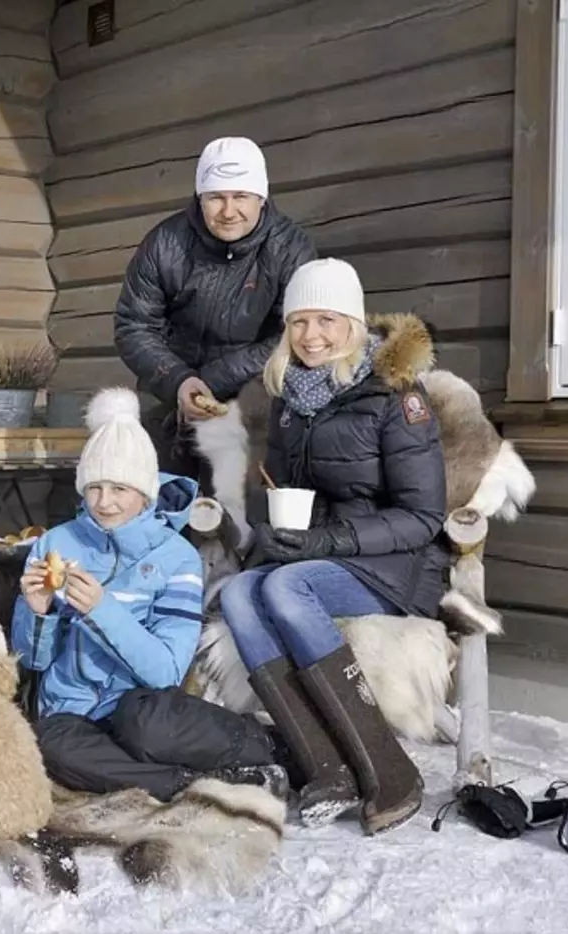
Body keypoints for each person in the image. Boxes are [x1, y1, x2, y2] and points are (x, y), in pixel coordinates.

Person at [219, 258, 448, 835]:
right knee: (242, 591)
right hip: (321, 557)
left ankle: (389, 769)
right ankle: (325, 766)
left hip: (393, 566)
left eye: (325, 320)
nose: (310, 336)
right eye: (298, 322)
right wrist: (274, 531)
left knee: (284, 585)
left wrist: (330, 538)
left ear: (352, 322)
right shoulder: (291, 398)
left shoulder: (396, 397)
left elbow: (423, 516)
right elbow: (283, 489)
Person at [12, 387, 286, 802]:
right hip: (72, 711)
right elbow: (33, 660)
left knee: (144, 725)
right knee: (49, 744)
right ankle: (184, 785)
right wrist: (36, 614)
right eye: (95, 488)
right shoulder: (57, 543)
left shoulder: (176, 557)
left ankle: (265, 747)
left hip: (141, 705)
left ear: (145, 492)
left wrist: (102, 610)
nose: (105, 503)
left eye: (119, 489)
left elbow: (166, 672)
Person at [114, 136, 316, 482]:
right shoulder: (165, 243)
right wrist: (179, 381)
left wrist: (213, 379)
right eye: (216, 197)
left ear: (261, 198)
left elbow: (295, 336)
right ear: (200, 197)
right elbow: (134, 325)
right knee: (159, 503)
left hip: (252, 400)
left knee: (236, 517)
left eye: (241, 196)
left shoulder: (290, 249)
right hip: (168, 395)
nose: (228, 211)